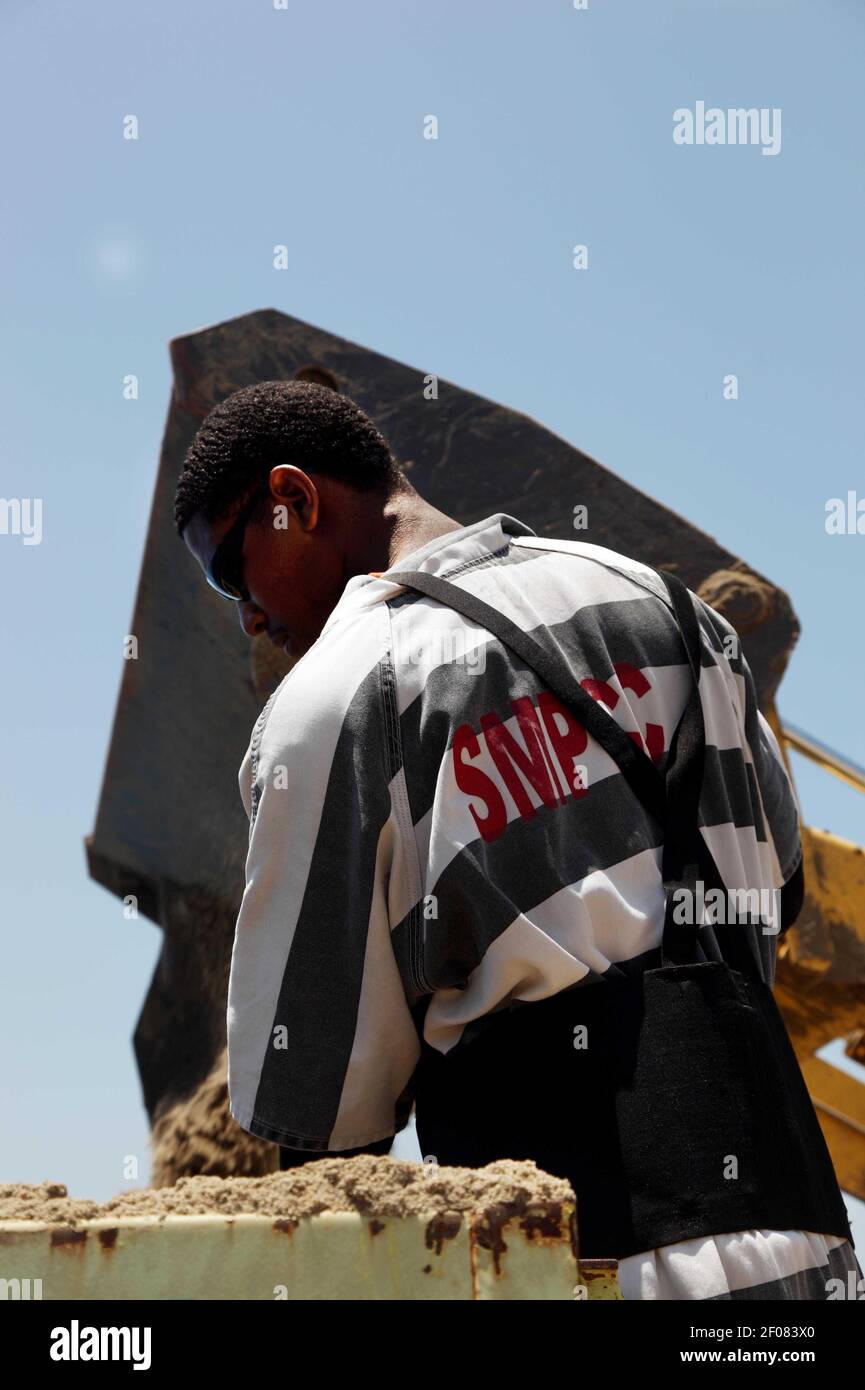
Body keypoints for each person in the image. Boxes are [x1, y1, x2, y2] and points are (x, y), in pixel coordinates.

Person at [174, 378, 861, 1301]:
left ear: (292, 500)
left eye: (230, 571)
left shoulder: (332, 706)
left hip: (563, 1263)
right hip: (806, 1249)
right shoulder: (664, 605)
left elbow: (325, 1121)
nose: (248, 615)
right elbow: (779, 887)